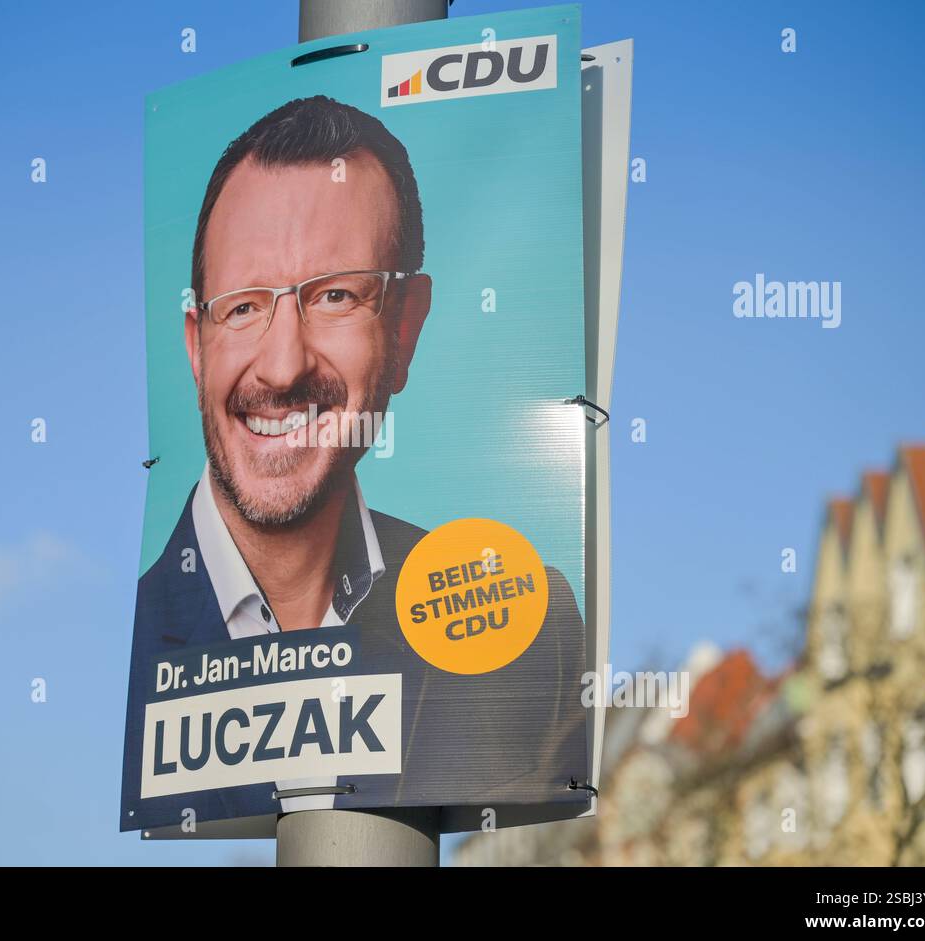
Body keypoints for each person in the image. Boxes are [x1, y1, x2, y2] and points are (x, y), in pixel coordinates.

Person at [123, 96, 585, 829]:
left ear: (405, 328)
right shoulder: (148, 636)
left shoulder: (524, 629)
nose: (281, 367)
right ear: (195, 343)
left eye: (336, 296)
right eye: (242, 307)